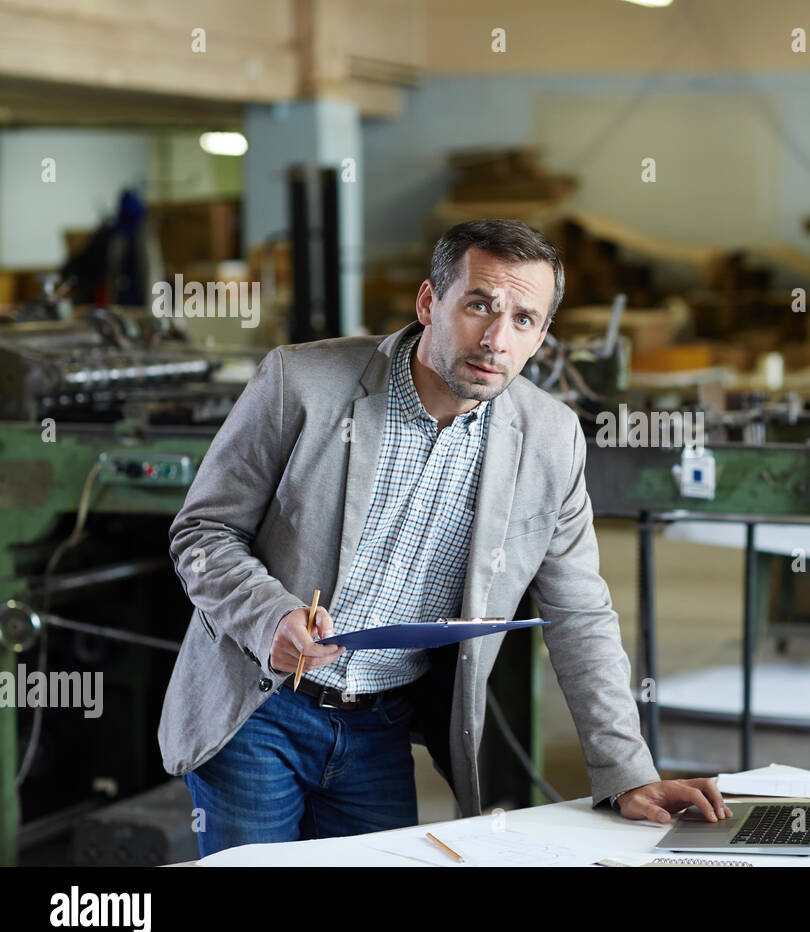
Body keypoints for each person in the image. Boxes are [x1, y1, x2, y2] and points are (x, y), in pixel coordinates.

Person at [158, 218, 731, 855]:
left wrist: (628, 772)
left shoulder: (551, 439)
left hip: (379, 725)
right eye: (478, 305)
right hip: (260, 706)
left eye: (523, 319)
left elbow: (580, 614)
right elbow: (203, 533)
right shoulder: (302, 382)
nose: (495, 340)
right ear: (429, 302)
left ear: (541, 336)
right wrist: (271, 617)